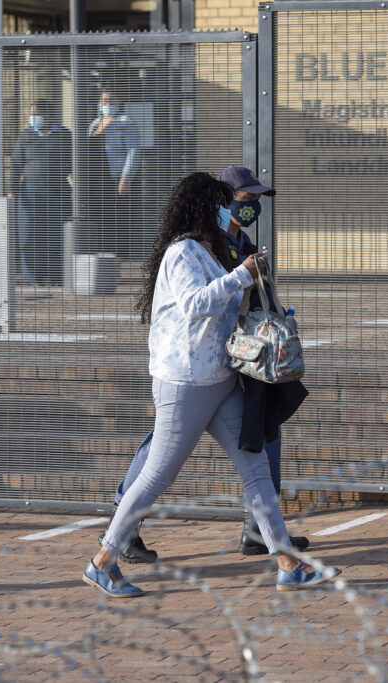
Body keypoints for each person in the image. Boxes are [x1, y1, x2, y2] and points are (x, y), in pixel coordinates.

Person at [81, 172, 341, 597]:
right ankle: (103, 561)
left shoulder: (212, 249)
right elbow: (194, 304)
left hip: (220, 379)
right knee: (155, 477)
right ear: (205, 206)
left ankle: (288, 565)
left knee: (255, 470)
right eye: (222, 202)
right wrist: (240, 276)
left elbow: (225, 305)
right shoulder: (181, 252)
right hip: (184, 383)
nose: (228, 210)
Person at [8, 100, 72, 285]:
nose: (33, 117)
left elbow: (75, 163)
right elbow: (15, 165)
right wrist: (12, 191)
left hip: (58, 190)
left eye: (37, 113)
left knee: (56, 234)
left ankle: (56, 276)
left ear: (48, 114)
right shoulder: (25, 137)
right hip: (30, 191)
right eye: (31, 114)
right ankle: (32, 278)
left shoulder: (64, 136)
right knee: (29, 233)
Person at [86, 90, 141, 257]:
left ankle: (115, 267)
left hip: (114, 179)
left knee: (115, 223)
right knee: (97, 222)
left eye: (111, 100)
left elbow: (133, 151)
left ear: (119, 102)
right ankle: (100, 263)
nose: (107, 104)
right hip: (95, 181)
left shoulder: (125, 123)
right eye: (103, 100)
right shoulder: (94, 124)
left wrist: (126, 177)